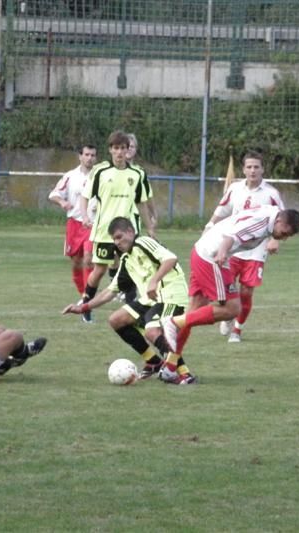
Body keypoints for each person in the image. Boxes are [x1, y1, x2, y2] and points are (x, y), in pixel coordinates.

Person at [160, 206, 299, 381]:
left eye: (288, 235)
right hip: (212, 257)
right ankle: (172, 322)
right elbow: (230, 238)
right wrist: (222, 254)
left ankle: (169, 368)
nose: (284, 237)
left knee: (194, 313)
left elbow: (285, 219)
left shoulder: (276, 216)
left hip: (202, 252)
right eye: (284, 233)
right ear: (278, 222)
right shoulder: (260, 223)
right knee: (232, 309)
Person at [61, 216, 194, 383]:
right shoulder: (126, 260)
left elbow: (170, 258)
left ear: (130, 232)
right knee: (116, 319)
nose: (116, 242)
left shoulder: (144, 242)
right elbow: (109, 292)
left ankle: (184, 373)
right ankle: (153, 362)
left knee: (152, 332)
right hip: (151, 300)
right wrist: (83, 307)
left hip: (171, 295)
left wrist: (154, 280)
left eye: (119, 237)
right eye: (114, 239)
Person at [206, 151, 284, 343]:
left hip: (256, 250)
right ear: (244, 169)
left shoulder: (271, 194)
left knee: (246, 291)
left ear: (263, 169)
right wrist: (210, 224)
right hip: (233, 246)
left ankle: (237, 331)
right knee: (225, 288)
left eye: (256, 167)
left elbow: (282, 219)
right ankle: (228, 314)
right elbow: (222, 208)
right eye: (249, 167)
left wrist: (275, 240)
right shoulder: (235, 189)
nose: (252, 170)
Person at [78, 130, 156, 321]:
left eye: (123, 148)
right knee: (99, 269)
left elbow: (142, 203)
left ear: (128, 150)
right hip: (104, 231)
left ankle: (132, 309)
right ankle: (87, 303)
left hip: (128, 232)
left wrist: (150, 228)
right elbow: (85, 196)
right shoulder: (101, 172)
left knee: (131, 267)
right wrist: (85, 216)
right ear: (110, 150)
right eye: (116, 148)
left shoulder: (136, 174)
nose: (120, 152)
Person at [48, 144, 98, 321]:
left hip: (93, 225)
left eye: (93, 155)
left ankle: (87, 302)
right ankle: (84, 294)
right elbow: (53, 194)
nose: (90, 158)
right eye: (87, 154)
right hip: (74, 224)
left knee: (88, 258)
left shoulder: (100, 176)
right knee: (76, 263)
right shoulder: (70, 176)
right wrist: (62, 202)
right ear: (80, 156)